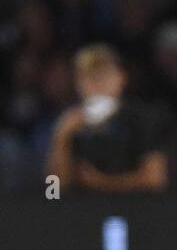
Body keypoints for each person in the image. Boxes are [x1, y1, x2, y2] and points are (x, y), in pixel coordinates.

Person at [45, 44, 168, 193]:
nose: (97, 84)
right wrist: (61, 138)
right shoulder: (69, 124)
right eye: (89, 77)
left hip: (135, 210)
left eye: (104, 75)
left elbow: (155, 179)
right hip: (82, 211)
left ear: (121, 78)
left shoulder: (142, 119)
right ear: (77, 83)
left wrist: (101, 182)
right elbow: (53, 190)